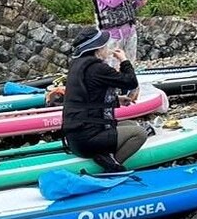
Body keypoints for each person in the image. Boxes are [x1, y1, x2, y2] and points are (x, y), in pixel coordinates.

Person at [61, 27, 148, 174]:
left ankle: (106, 154)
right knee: (139, 133)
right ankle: (112, 165)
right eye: (104, 45)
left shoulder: (77, 66)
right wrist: (124, 61)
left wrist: (117, 100)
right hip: (87, 140)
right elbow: (130, 82)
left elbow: (89, 99)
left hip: (74, 138)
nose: (107, 48)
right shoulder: (98, 68)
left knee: (130, 124)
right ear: (97, 48)